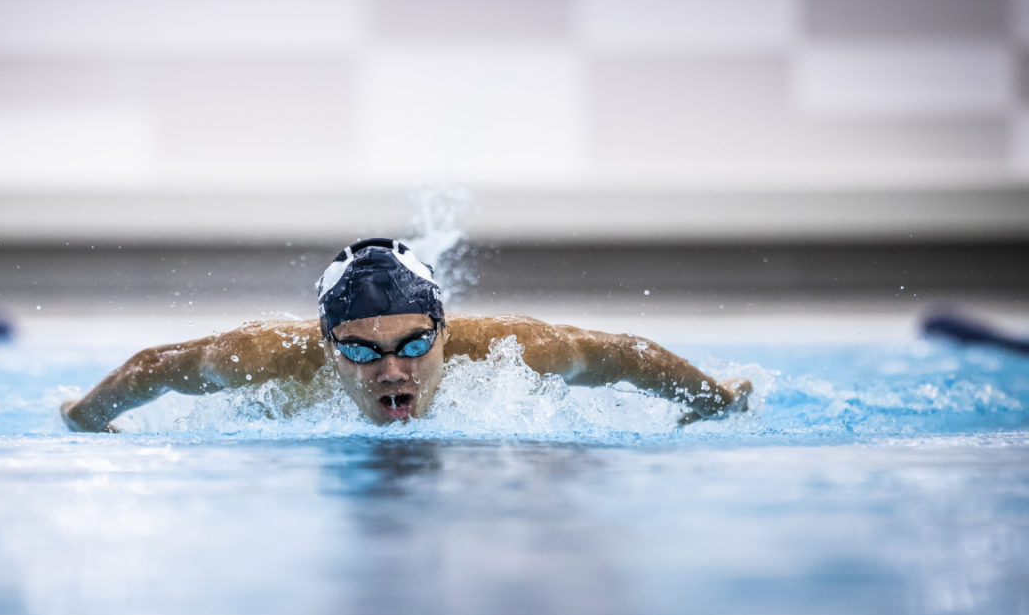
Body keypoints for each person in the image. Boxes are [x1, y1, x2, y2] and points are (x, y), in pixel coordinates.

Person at [61, 238, 752, 432]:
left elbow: (626, 356)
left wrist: (714, 398)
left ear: (445, 332)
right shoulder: (261, 357)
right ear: (327, 343)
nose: (392, 370)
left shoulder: (510, 348)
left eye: (414, 345)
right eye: (361, 350)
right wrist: (85, 416)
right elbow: (154, 367)